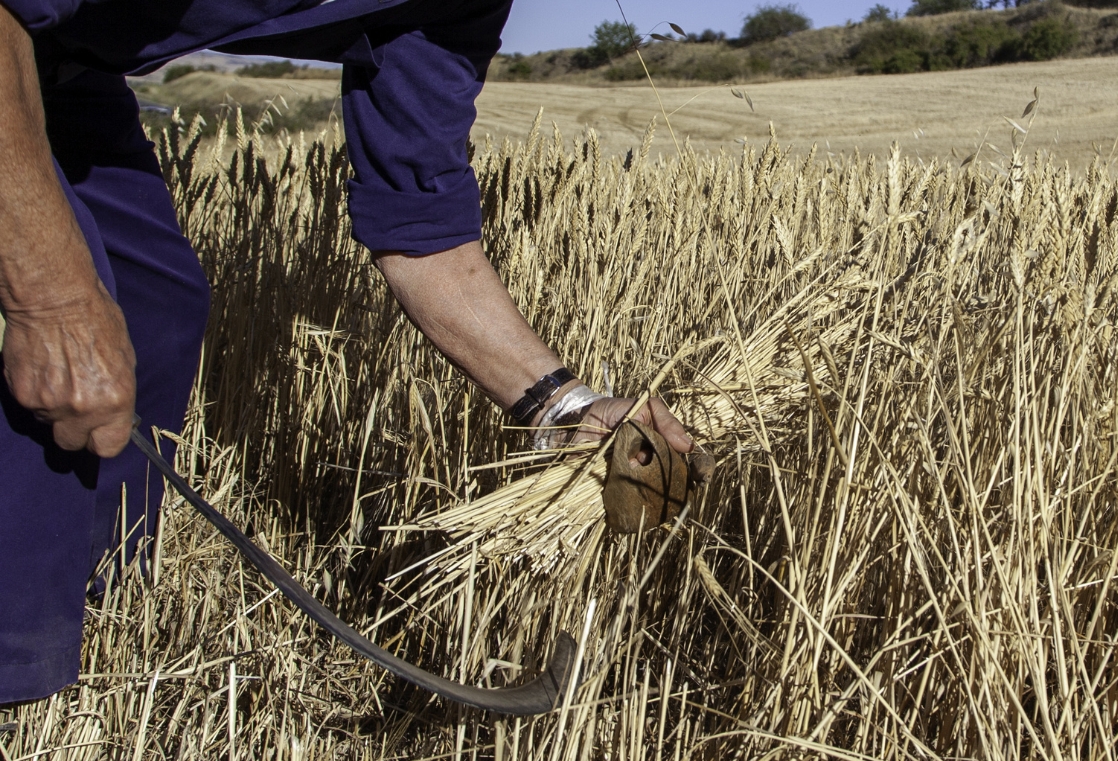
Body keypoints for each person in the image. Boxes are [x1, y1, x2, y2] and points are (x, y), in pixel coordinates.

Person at [0, 0, 702, 706]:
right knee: (56, 326)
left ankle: (82, 614)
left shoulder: (456, 10)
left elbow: (423, 229)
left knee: (155, 311)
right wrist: (50, 301)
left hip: (61, 70)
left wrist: (566, 405)